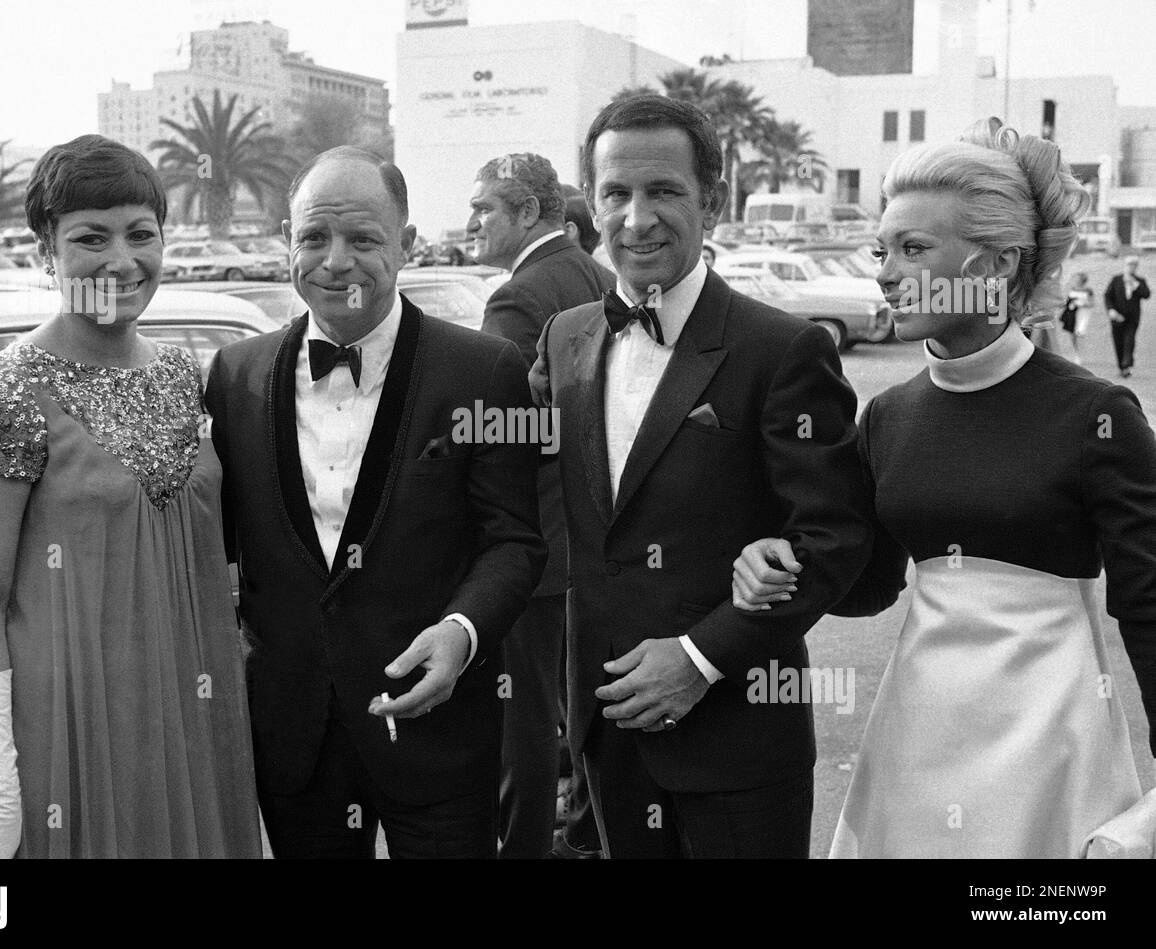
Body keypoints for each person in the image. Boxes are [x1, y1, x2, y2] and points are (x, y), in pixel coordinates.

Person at [732, 117, 1156, 858]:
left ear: (996, 265)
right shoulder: (889, 416)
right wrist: (778, 560)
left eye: (913, 249)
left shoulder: (1095, 414)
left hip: (1049, 745)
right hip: (916, 737)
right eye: (882, 250)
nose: (886, 272)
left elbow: (1150, 602)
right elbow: (866, 585)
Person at [529, 95, 874, 858]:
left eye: (664, 192)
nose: (637, 217)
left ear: (711, 201)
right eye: (616, 193)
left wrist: (699, 658)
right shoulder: (564, 339)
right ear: (591, 201)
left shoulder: (783, 349)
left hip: (739, 739)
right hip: (605, 730)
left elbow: (833, 536)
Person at [205, 146, 546, 859]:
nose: (336, 261)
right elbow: (218, 549)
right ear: (286, 244)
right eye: (313, 238)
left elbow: (513, 541)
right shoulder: (236, 374)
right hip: (294, 736)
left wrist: (461, 629)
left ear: (407, 244)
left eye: (363, 239)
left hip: (441, 731)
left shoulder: (482, 368)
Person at [0, 134, 262, 858]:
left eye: (140, 234)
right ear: (44, 253)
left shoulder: (184, 374)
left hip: (195, 712)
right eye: (91, 237)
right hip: (74, 732)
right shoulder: (10, 389)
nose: (122, 260)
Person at [466, 152, 614, 859]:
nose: (472, 222)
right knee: (580, 703)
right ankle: (583, 834)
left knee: (521, 716)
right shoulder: (595, 273)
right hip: (593, 535)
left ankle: (524, 846)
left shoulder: (518, 297)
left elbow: (507, 429)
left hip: (538, 540)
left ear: (527, 212)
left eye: (484, 207)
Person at [1104, 255, 1150, 377]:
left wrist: (1135, 285)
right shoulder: (1116, 280)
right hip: (1117, 316)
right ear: (1125, 266)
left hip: (1132, 318)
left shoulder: (1140, 281)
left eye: (1134, 265)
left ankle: (1127, 365)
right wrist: (1111, 310)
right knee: (1118, 341)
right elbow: (1108, 296)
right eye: (1129, 265)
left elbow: (1146, 294)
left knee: (1129, 340)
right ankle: (1121, 366)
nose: (1131, 268)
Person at [1060, 271, 1094, 363]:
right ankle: (1076, 353)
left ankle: (1080, 354)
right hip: (1072, 314)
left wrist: (1081, 303)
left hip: (1082, 314)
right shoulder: (1072, 289)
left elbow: (1091, 303)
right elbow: (1067, 301)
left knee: (1080, 333)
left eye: (1078, 279)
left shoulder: (1088, 290)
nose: (1076, 281)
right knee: (1072, 334)